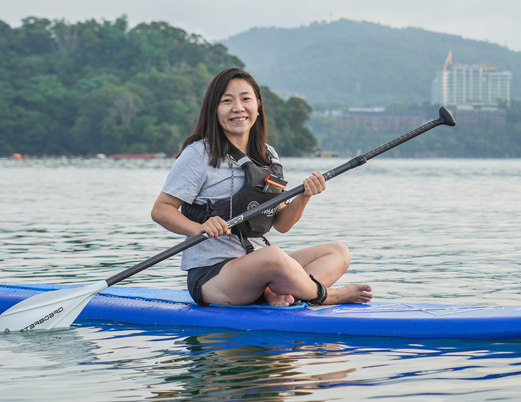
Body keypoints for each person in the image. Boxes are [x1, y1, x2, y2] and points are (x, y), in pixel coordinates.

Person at [151, 68, 373, 307]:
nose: (238, 108)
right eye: (227, 101)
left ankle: (277, 292)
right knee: (273, 257)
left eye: (246, 99)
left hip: (262, 263)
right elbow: (161, 210)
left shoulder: (269, 155)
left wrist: (305, 196)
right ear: (213, 109)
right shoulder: (198, 154)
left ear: (258, 106)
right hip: (214, 275)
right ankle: (328, 296)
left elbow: (282, 224)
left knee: (337, 252)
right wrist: (199, 228)